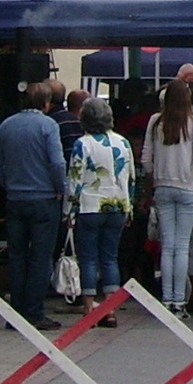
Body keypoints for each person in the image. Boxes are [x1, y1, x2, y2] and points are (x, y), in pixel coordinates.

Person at [0, 82, 66, 331]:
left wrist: (10, 183)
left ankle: (16, 312)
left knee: (17, 256)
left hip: (15, 199)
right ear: (46, 103)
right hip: (43, 199)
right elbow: (57, 162)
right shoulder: (48, 125)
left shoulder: (7, 125)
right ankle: (34, 311)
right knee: (41, 257)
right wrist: (60, 188)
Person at [141, 80, 193, 315]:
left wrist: (152, 183)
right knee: (182, 246)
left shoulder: (155, 122)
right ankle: (179, 301)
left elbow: (146, 160)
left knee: (167, 246)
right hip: (187, 187)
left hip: (162, 186)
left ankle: (166, 299)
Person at [67, 97, 134, 325]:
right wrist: (129, 206)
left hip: (90, 206)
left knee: (88, 258)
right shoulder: (123, 143)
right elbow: (131, 177)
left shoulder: (82, 144)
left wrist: (69, 210)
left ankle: (89, 309)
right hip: (117, 205)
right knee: (110, 257)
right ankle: (111, 309)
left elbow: (74, 179)